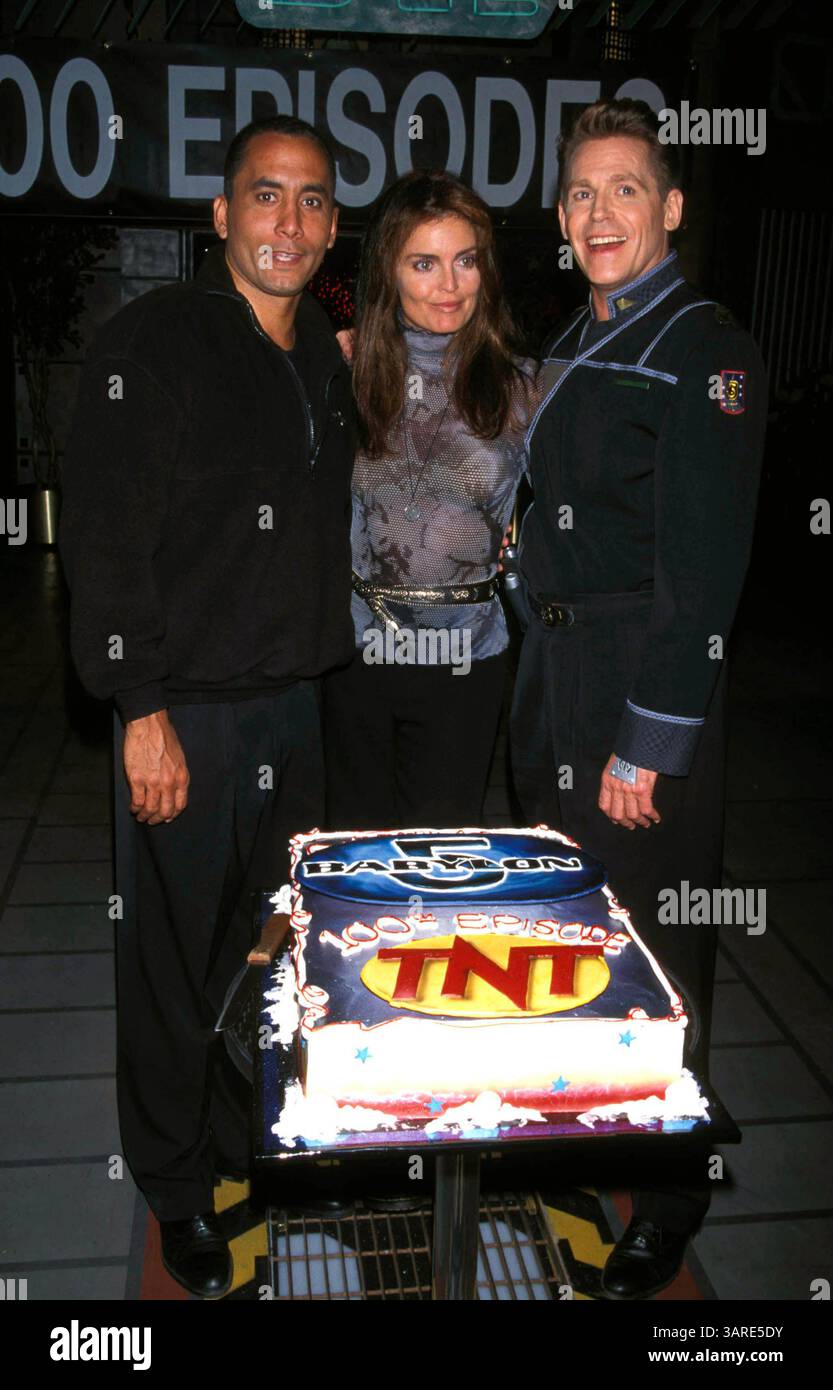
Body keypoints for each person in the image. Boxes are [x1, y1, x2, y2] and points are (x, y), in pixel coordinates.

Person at [59, 116, 355, 1298]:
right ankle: (177, 1185)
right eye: (266, 196)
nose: (290, 220)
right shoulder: (154, 342)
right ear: (220, 215)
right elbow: (105, 536)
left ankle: (252, 1141)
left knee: (274, 952)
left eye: (313, 201)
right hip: (187, 720)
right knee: (171, 970)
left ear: (332, 225)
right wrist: (138, 706)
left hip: (296, 709)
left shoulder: (322, 358)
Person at [510, 99, 767, 1298]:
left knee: (654, 961)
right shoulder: (583, 327)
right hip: (553, 681)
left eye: (624, 189)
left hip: (632, 703)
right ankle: (585, 1135)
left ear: (667, 209)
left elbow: (701, 576)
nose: (597, 212)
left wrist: (647, 744)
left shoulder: (702, 346)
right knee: (574, 945)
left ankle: (665, 1192)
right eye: (579, 193)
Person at [323, 170, 539, 829]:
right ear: (388, 271)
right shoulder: (344, 372)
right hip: (357, 655)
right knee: (355, 861)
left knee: (436, 865)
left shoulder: (522, 386)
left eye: (465, 260)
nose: (449, 286)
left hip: (465, 660)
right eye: (424, 263)